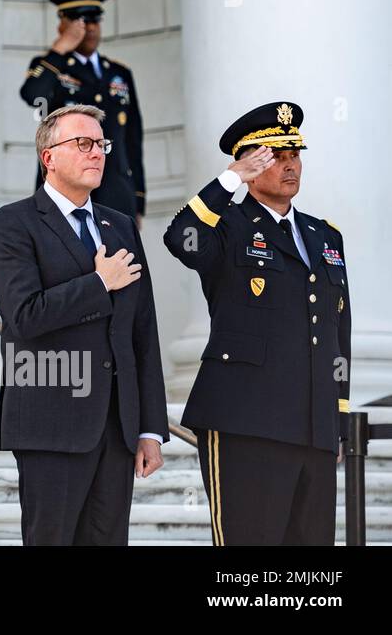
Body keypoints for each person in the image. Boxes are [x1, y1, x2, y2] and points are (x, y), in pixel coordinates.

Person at [163, 102, 350, 545]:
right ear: (249, 162)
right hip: (246, 422)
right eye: (275, 157)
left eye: (294, 156)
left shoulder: (324, 235)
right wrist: (232, 178)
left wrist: (336, 418)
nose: (290, 166)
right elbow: (180, 238)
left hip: (313, 425)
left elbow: (337, 332)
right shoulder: (226, 226)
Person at [0, 104, 168, 545]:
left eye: (100, 144)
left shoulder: (120, 226)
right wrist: (99, 284)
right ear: (48, 157)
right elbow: (24, 315)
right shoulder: (14, 223)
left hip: (117, 428)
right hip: (50, 423)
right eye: (82, 143)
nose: (97, 153)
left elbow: (143, 330)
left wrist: (149, 428)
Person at [19, 0, 146, 223]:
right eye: (81, 21)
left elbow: (133, 139)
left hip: (116, 192)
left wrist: (138, 198)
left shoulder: (118, 73)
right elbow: (32, 94)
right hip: (65, 190)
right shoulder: (50, 66)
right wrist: (59, 49)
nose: (90, 27)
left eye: (95, 20)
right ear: (63, 25)